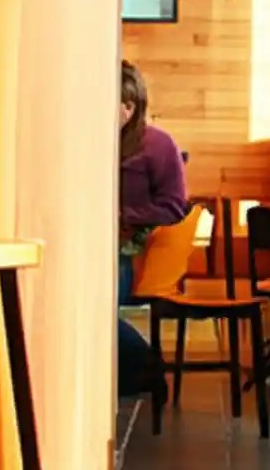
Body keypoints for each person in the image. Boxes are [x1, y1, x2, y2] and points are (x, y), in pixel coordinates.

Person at [117, 60, 188, 399]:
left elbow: (174, 206)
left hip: (130, 252)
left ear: (130, 107)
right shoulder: (85, 141)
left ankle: (146, 365)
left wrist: (124, 215)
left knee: (93, 308)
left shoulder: (157, 144)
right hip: (86, 246)